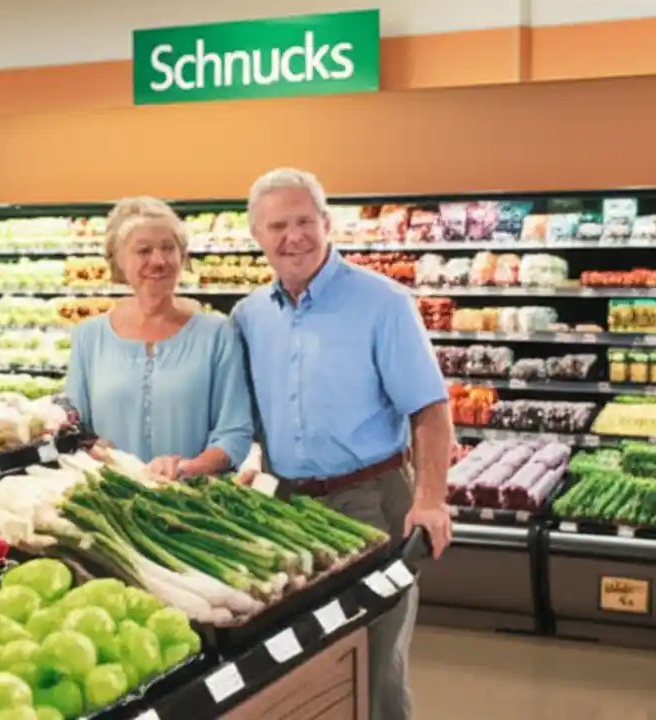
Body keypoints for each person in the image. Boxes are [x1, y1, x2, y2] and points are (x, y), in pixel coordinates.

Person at [231, 168, 454, 720]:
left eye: (305, 221)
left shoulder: (383, 303)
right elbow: (253, 416)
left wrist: (430, 498)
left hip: (371, 502)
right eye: (278, 225)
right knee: (301, 667)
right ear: (257, 235)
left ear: (327, 224)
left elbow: (430, 409)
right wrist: (250, 460)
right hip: (285, 508)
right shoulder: (248, 316)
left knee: (377, 662)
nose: (294, 237)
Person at [64, 196, 253, 479]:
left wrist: (188, 468)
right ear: (119, 260)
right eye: (144, 250)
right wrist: (89, 446)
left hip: (194, 507)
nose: (159, 261)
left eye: (169, 248)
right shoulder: (89, 337)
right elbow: (73, 425)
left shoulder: (217, 335)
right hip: (112, 505)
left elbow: (234, 432)